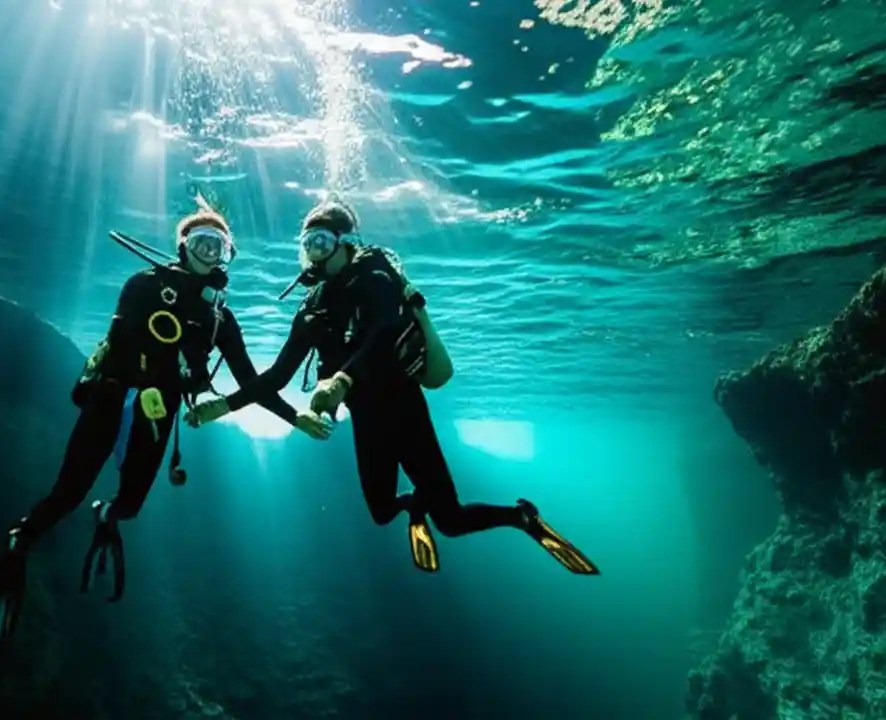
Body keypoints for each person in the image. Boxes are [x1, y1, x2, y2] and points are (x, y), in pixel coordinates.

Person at [0, 206, 333, 659]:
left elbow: (254, 382)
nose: (210, 254)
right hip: (111, 398)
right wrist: (146, 382)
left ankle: (106, 517)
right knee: (66, 493)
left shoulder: (220, 321)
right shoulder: (144, 286)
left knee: (130, 505)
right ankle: (16, 552)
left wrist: (296, 418)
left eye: (219, 247)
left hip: (160, 414)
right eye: (201, 244)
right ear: (183, 248)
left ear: (227, 256)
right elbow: (123, 334)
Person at [185, 199, 599, 576]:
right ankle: (415, 505)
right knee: (382, 512)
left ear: (345, 241)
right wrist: (223, 406)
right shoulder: (313, 306)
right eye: (308, 242)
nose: (313, 251)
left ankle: (521, 517)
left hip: (404, 408)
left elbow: (384, 330)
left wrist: (342, 378)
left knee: (451, 522)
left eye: (322, 240)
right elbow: (276, 376)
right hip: (366, 417)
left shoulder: (375, 274)